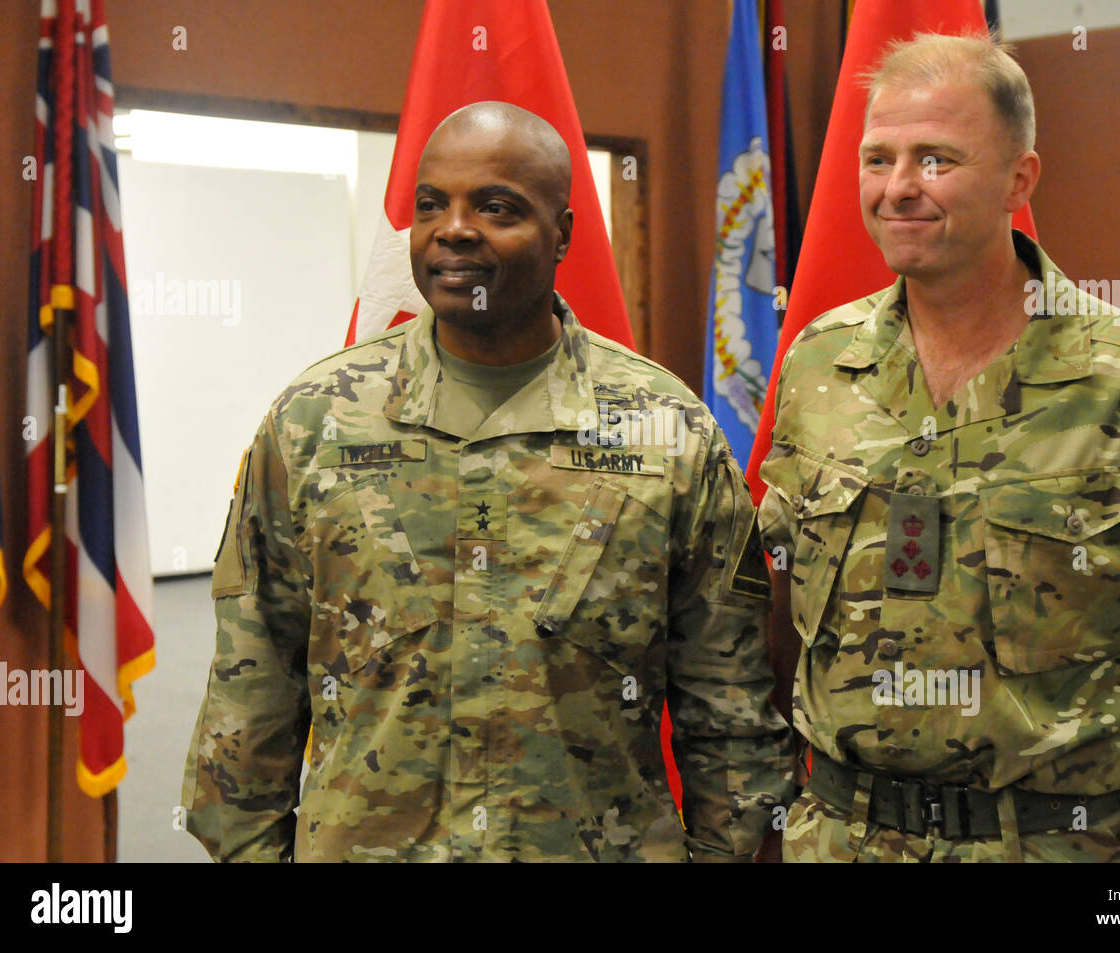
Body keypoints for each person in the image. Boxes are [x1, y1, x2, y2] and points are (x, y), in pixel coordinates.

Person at [182, 101, 792, 862]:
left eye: (496, 207)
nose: (454, 228)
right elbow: (252, 691)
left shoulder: (667, 431)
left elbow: (728, 711)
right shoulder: (314, 422)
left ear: (563, 234)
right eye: (431, 204)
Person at [759, 33, 1120, 863]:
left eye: (935, 160)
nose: (898, 189)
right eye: (878, 158)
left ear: (1019, 178)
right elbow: (777, 595)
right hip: (839, 839)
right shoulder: (818, 364)